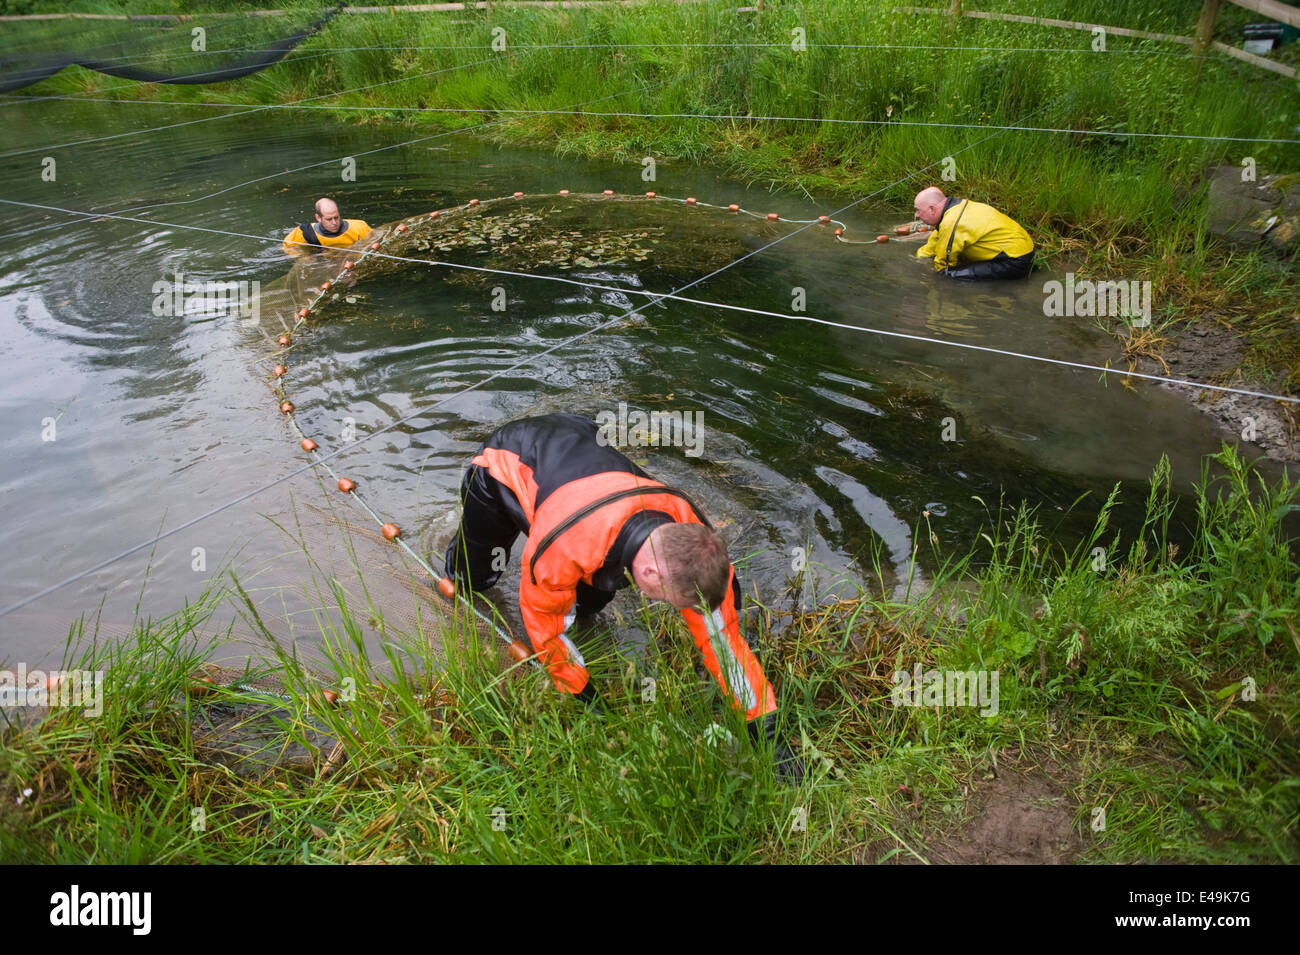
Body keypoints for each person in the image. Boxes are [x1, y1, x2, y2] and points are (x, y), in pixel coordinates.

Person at [442, 413, 802, 779]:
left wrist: (768, 735)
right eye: (672, 602)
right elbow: (545, 629)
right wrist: (587, 700)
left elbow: (723, 640)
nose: (676, 610)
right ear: (650, 574)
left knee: (590, 605)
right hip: (503, 463)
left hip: (582, 455)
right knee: (475, 581)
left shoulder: (694, 537)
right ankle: (457, 567)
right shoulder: (561, 547)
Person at [911, 186, 1034, 280]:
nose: (916, 215)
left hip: (1014, 261)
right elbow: (936, 239)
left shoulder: (951, 222)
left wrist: (920, 273)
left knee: (946, 275)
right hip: (1024, 248)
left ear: (932, 209)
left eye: (918, 210)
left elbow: (944, 265)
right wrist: (920, 257)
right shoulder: (956, 208)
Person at [282, 197, 371, 255]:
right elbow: (288, 248)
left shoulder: (359, 227)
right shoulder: (305, 233)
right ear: (318, 218)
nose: (334, 222)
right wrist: (307, 258)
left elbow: (373, 243)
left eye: (336, 217)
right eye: (328, 219)